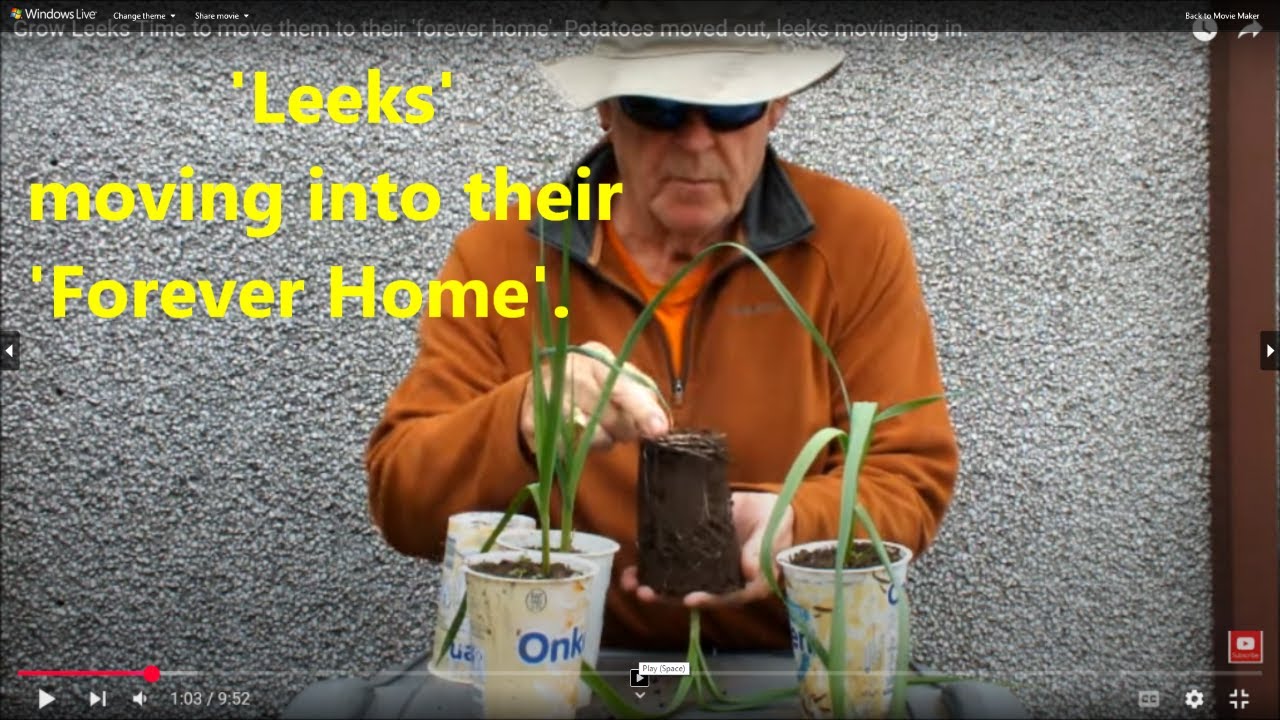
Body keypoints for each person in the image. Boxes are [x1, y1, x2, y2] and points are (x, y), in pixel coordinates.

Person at [364, 28, 960, 651]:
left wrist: (795, 525)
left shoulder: (854, 241)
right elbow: (404, 504)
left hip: (786, 665)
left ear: (776, 105)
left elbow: (907, 474)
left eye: (731, 108)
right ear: (606, 108)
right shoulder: (502, 257)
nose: (696, 142)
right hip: (582, 664)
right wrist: (520, 419)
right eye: (657, 105)